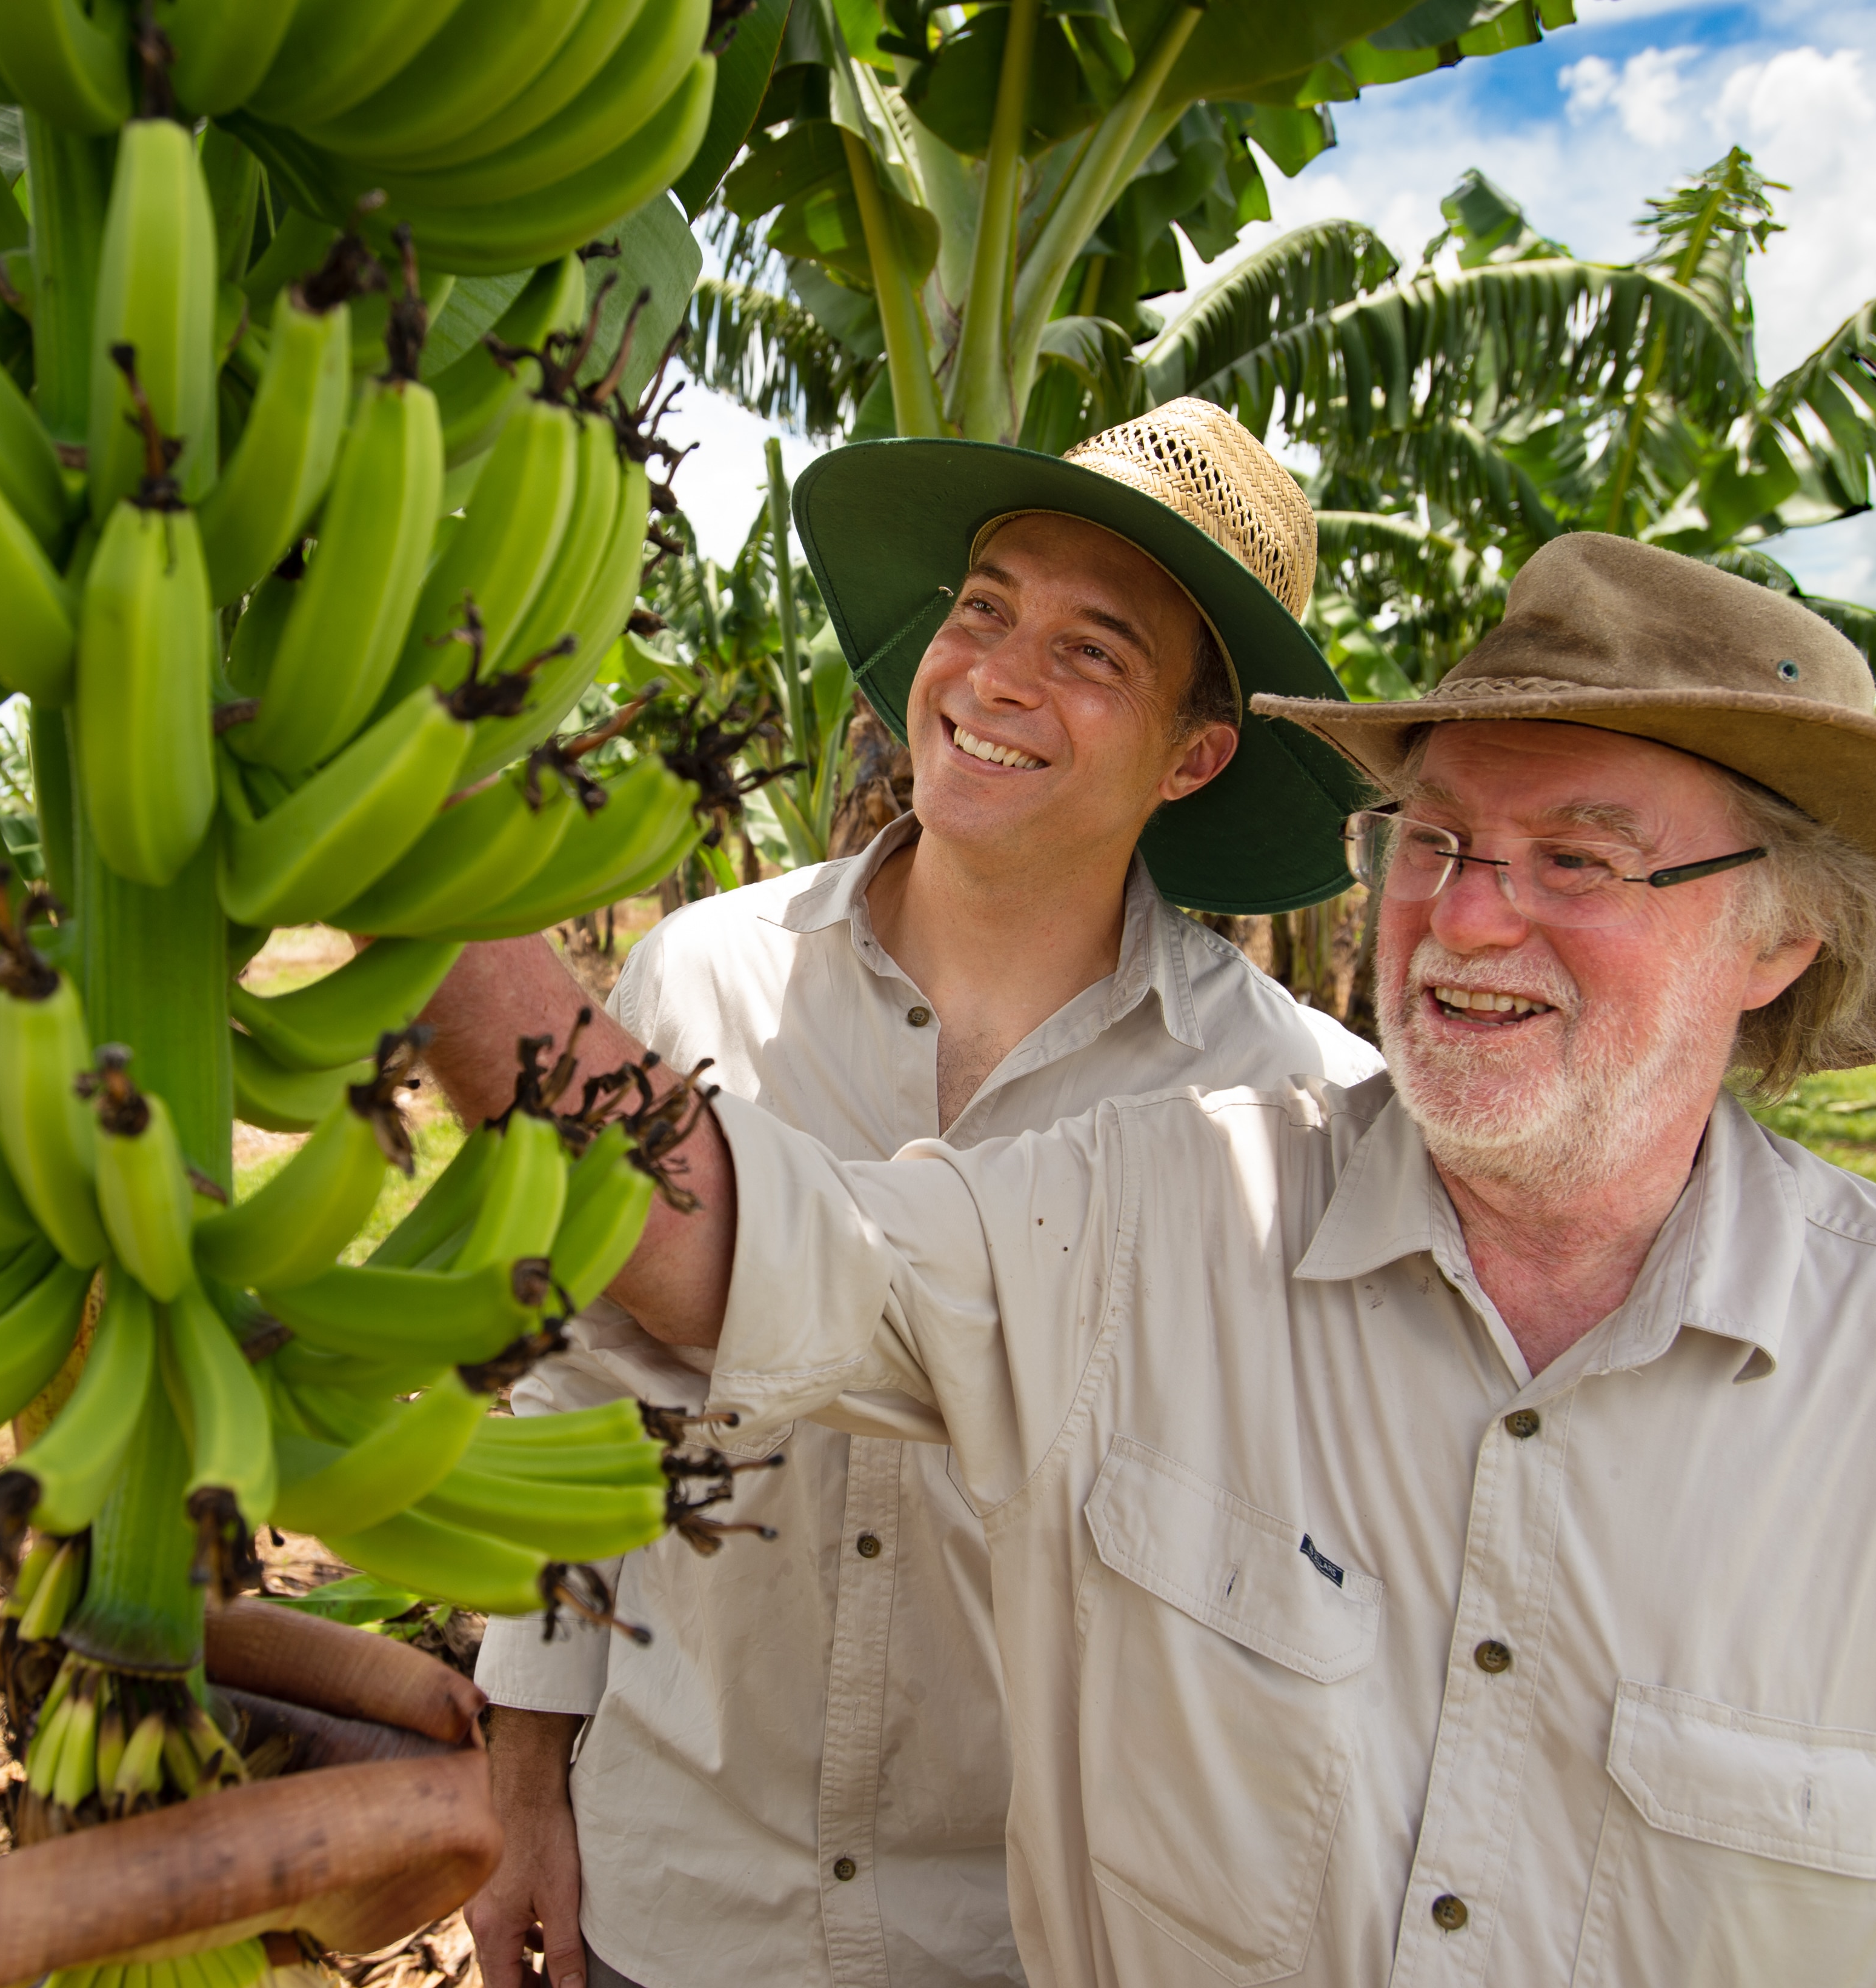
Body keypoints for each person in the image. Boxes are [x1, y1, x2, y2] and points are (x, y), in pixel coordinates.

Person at [428, 534, 1876, 1986]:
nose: (1467, 916)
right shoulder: (1164, 1212)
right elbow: (745, 1244)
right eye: (1435, 840)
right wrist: (410, 834)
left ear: (1779, 937)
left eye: (1578, 859)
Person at [430, 399, 1383, 1988]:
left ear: (1195, 755)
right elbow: (579, 1400)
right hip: (680, 1894)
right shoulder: (704, 982)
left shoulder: (1289, 1110)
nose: (996, 677)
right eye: (984, 609)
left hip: (1015, 1937)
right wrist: (522, 1784)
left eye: (1091, 652)